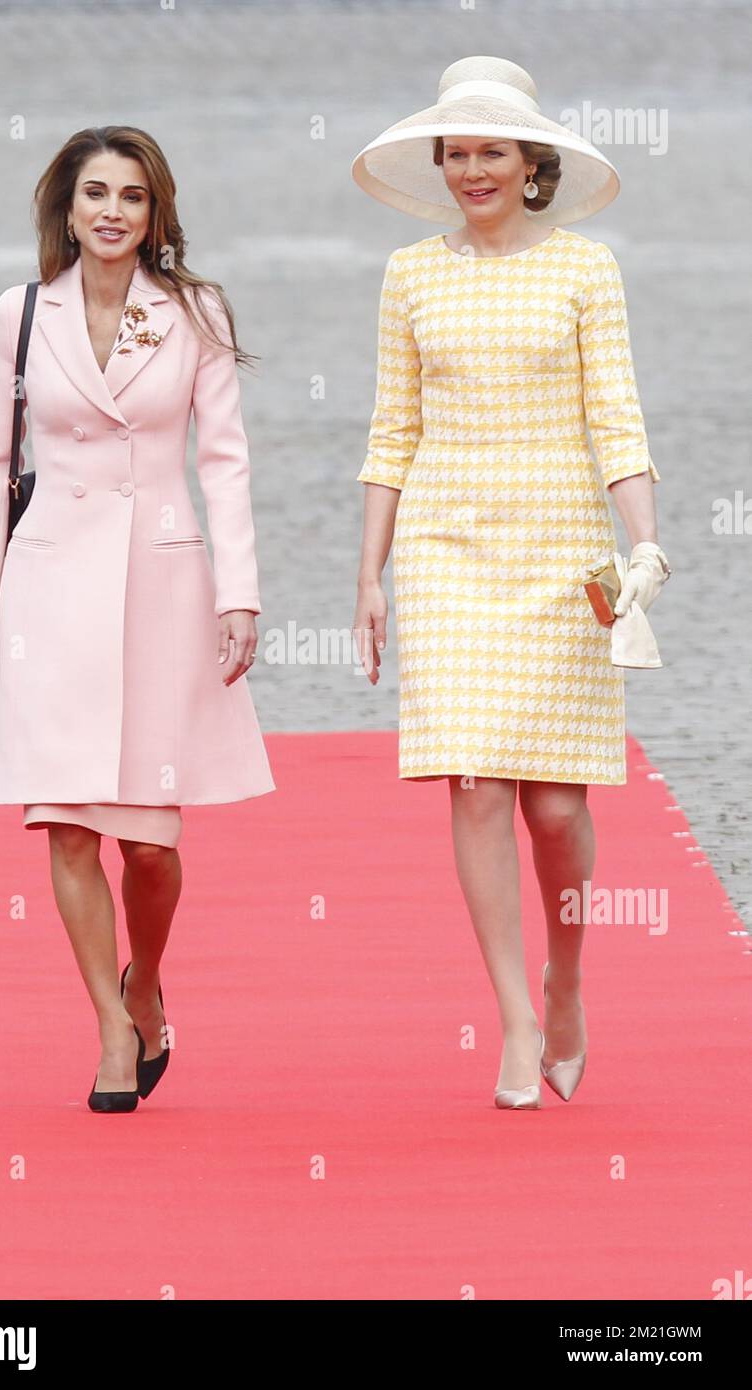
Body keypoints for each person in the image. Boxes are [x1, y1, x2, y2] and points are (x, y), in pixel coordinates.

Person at [351, 57, 671, 1109]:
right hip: (446, 547)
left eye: (492, 150)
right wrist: (370, 575)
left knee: (556, 808)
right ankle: (516, 1017)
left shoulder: (585, 267)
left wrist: (646, 546)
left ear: (533, 162)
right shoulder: (410, 274)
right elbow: (392, 432)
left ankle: (566, 979)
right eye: (457, 151)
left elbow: (615, 418)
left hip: (565, 546)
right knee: (477, 783)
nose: (472, 168)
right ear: (439, 160)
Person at [0, 126, 275, 1113]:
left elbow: (226, 460)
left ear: (156, 212)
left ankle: (145, 977)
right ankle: (109, 1025)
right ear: (68, 205)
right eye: (96, 192)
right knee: (66, 825)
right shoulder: (21, 311)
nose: (113, 211)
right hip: (46, 580)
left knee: (150, 845)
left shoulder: (194, 312)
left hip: (159, 583)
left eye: (132, 195)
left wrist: (240, 591)